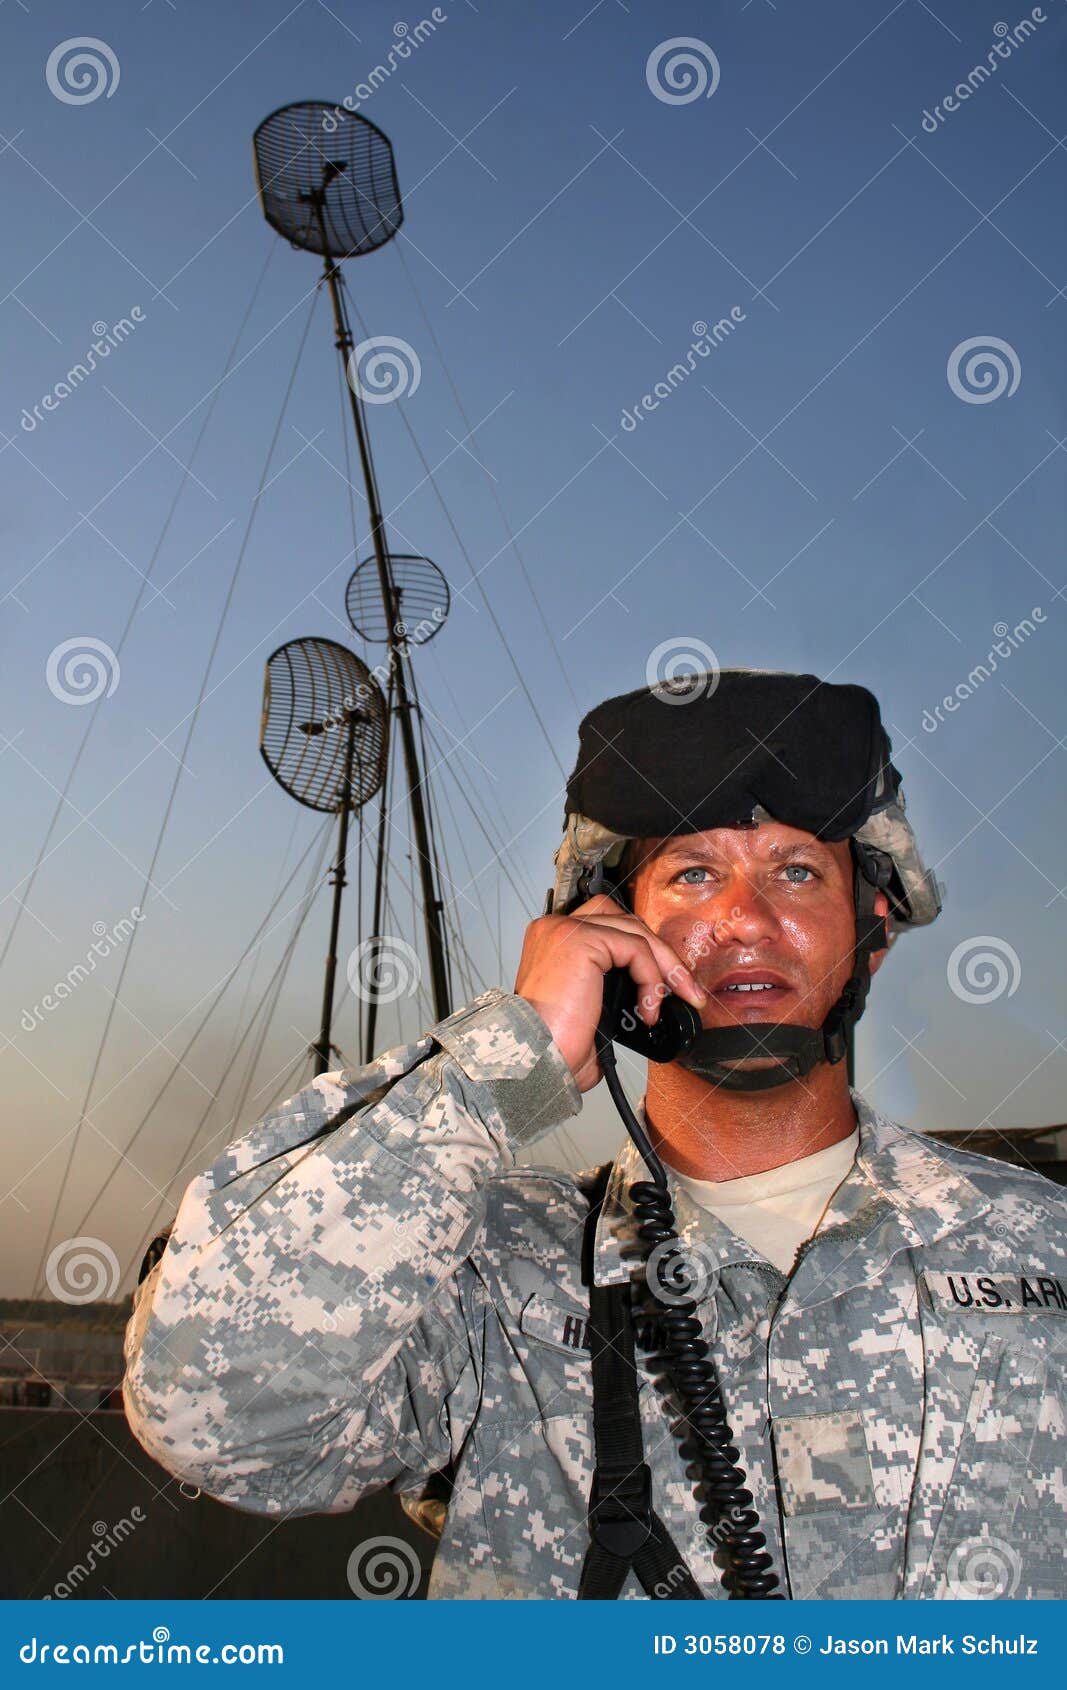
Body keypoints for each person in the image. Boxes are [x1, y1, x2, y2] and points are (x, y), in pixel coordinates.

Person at [123, 668, 1067, 1600]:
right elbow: (220, 1422)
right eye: (692, 874)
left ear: (874, 927)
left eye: (796, 871)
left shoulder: (1038, 1247)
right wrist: (501, 1063)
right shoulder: (491, 1269)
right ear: (605, 930)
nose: (744, 918)